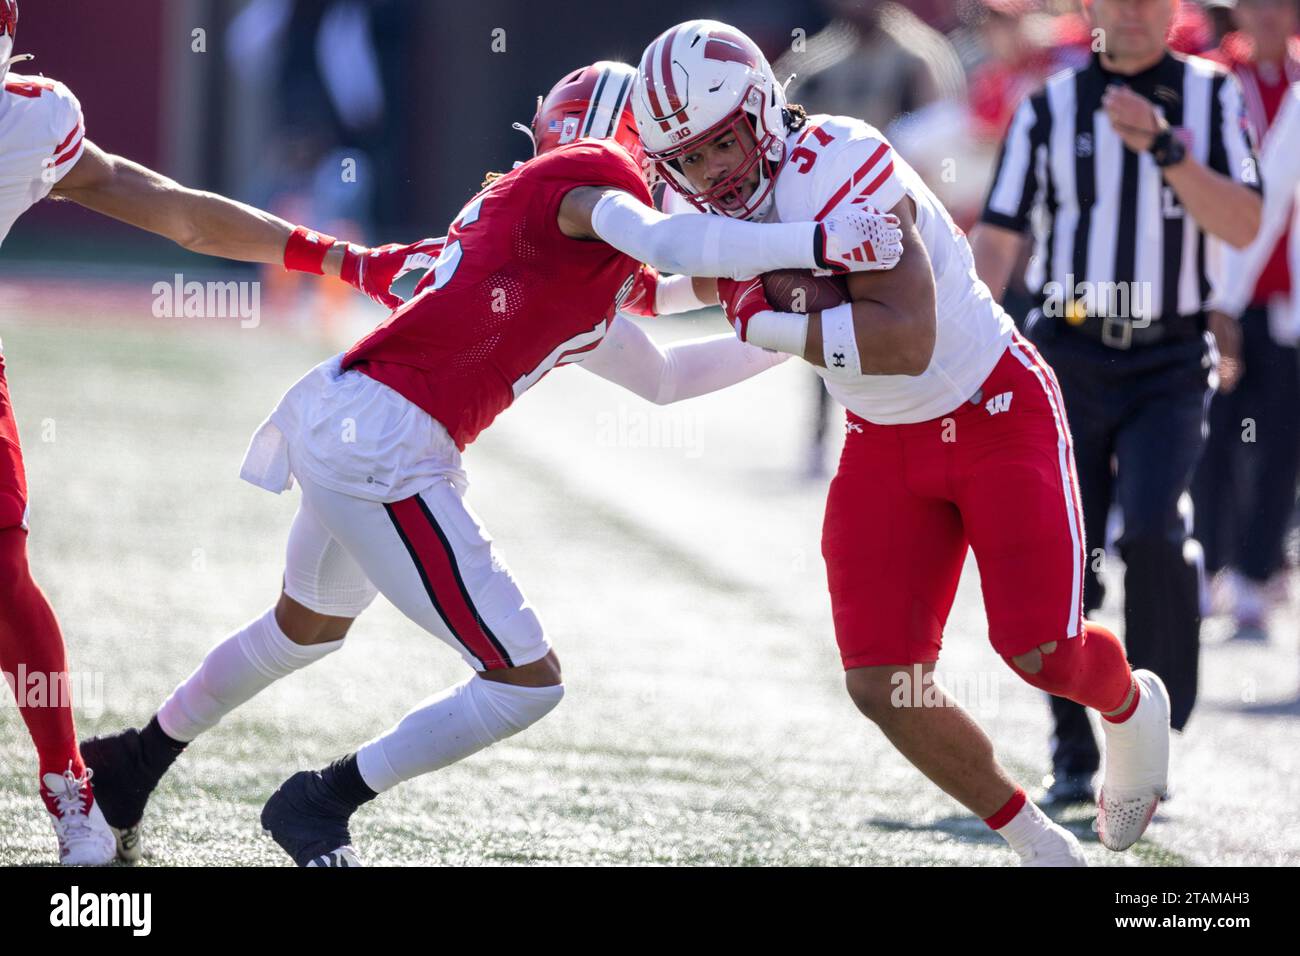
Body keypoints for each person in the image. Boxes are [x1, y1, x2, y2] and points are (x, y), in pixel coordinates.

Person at [79, 61, 902, 867]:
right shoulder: (594, 174)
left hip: (356, 422)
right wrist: (815, 241)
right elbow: (658, 241)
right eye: (672, 151)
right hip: (386, 446)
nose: (683, 165)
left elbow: (666, 371)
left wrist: (807, 344)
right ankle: (320, 801)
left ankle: (131, 762)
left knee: (305, 629)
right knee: (524, 682)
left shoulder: (558, 259)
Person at [634, 18, 1172, 865]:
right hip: (884, 435)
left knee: (1041, 652)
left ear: (762, 112)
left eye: (722, 145)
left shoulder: (842, 161)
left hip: (991, 406)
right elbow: (713, 269)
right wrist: (625, 295)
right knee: (883, 682)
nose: (710, 174)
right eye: (689, 160)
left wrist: (765, 322)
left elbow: (904, 339)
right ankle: (1038, 843)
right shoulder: (728, 195)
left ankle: (1132, 705)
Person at [0, 0, 426, 865]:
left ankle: (71, 787)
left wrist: (341, 258)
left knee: (2, 569)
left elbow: (174, 210)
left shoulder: (29, 120)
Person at [970, 0, 1262, 805]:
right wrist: (958, 348)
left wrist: (1164, 147)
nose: (1130, 14)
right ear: (1086, 10)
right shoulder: (1049, 105)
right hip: (1066, 352)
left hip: (1169, 354)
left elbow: (1242, 223)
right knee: (1066, 560)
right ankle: (1072, 750)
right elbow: (998, 237)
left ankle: (1149, 736)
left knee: (1154, 531)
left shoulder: (1213, 94)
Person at [1196, 0, 1300, 641]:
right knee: (1215, 434)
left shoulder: (1294, 83)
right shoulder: (1209, 81)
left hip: (1284, 299)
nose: (1269, 15)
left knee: (1280, 439)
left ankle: (1257, 571)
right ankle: (1208, 557)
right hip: (1218, 290)